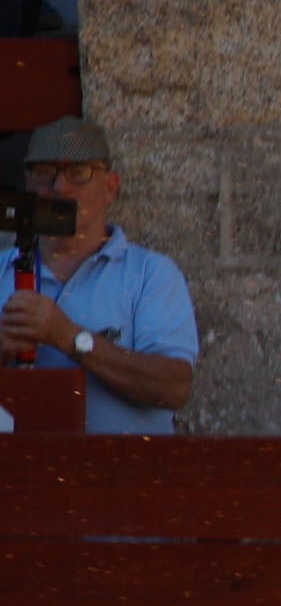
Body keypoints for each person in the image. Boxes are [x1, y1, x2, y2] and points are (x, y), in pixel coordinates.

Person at [0, 121, 198, 437]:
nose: (60, 187)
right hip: (16, 479)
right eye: (44, 173)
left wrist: (70, 337)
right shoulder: (2, 271)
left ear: (110, 187)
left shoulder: (150, 274)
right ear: (27, 184)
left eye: (78, 173)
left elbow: (173, 387)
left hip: (124, 480)